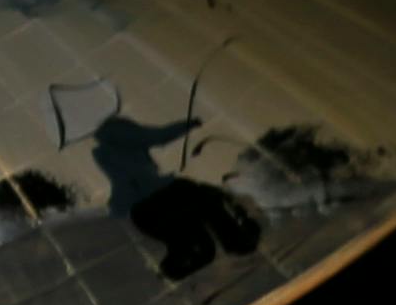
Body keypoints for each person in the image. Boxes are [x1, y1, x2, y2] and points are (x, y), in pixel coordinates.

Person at [84, 100, 265, 282]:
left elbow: (121, 190)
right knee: (206, 199)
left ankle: (172, 270)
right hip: (163, 198)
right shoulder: (116, 132)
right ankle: (238, 242)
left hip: (144, 215)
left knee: (198, 246)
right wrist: (189, 124)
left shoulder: (105, 152)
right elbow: (157, 136)